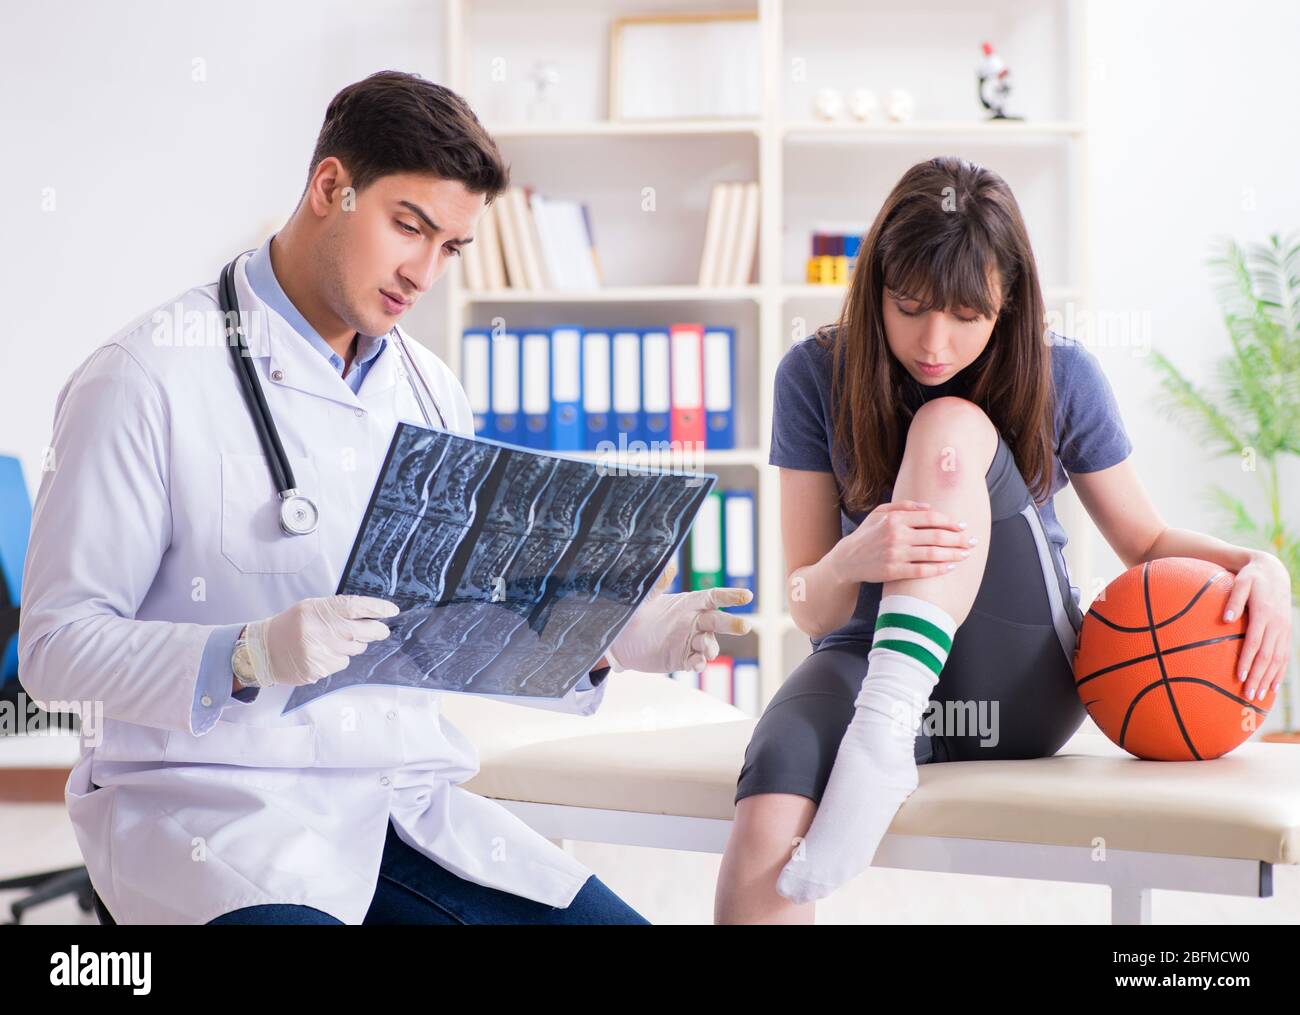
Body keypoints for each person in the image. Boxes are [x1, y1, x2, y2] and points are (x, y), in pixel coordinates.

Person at [18, 70, 750, 926]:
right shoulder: (146, 378)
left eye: (451, 247)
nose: (424, 272)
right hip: (215, 816)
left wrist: (609, 639)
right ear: (332, 186)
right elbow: (56, 650)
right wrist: (246, 654)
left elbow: (461, 625)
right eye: (409, 226)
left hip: (400, 804)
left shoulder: (431, 389)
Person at [713, 155, 1293, 924]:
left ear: (1008, 301)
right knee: (775, 768)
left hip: (1015, 683)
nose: (934, 342)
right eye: (909, 305)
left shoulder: (1061, 372)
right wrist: (852, 559)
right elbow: (810, 609)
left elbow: (1145, 539)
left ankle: (882, 730)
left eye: (967, 315)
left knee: (947, 427)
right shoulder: (814, 373)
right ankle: (880, 735)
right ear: (874, 285)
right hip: (863, 658)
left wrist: (1263, 566)